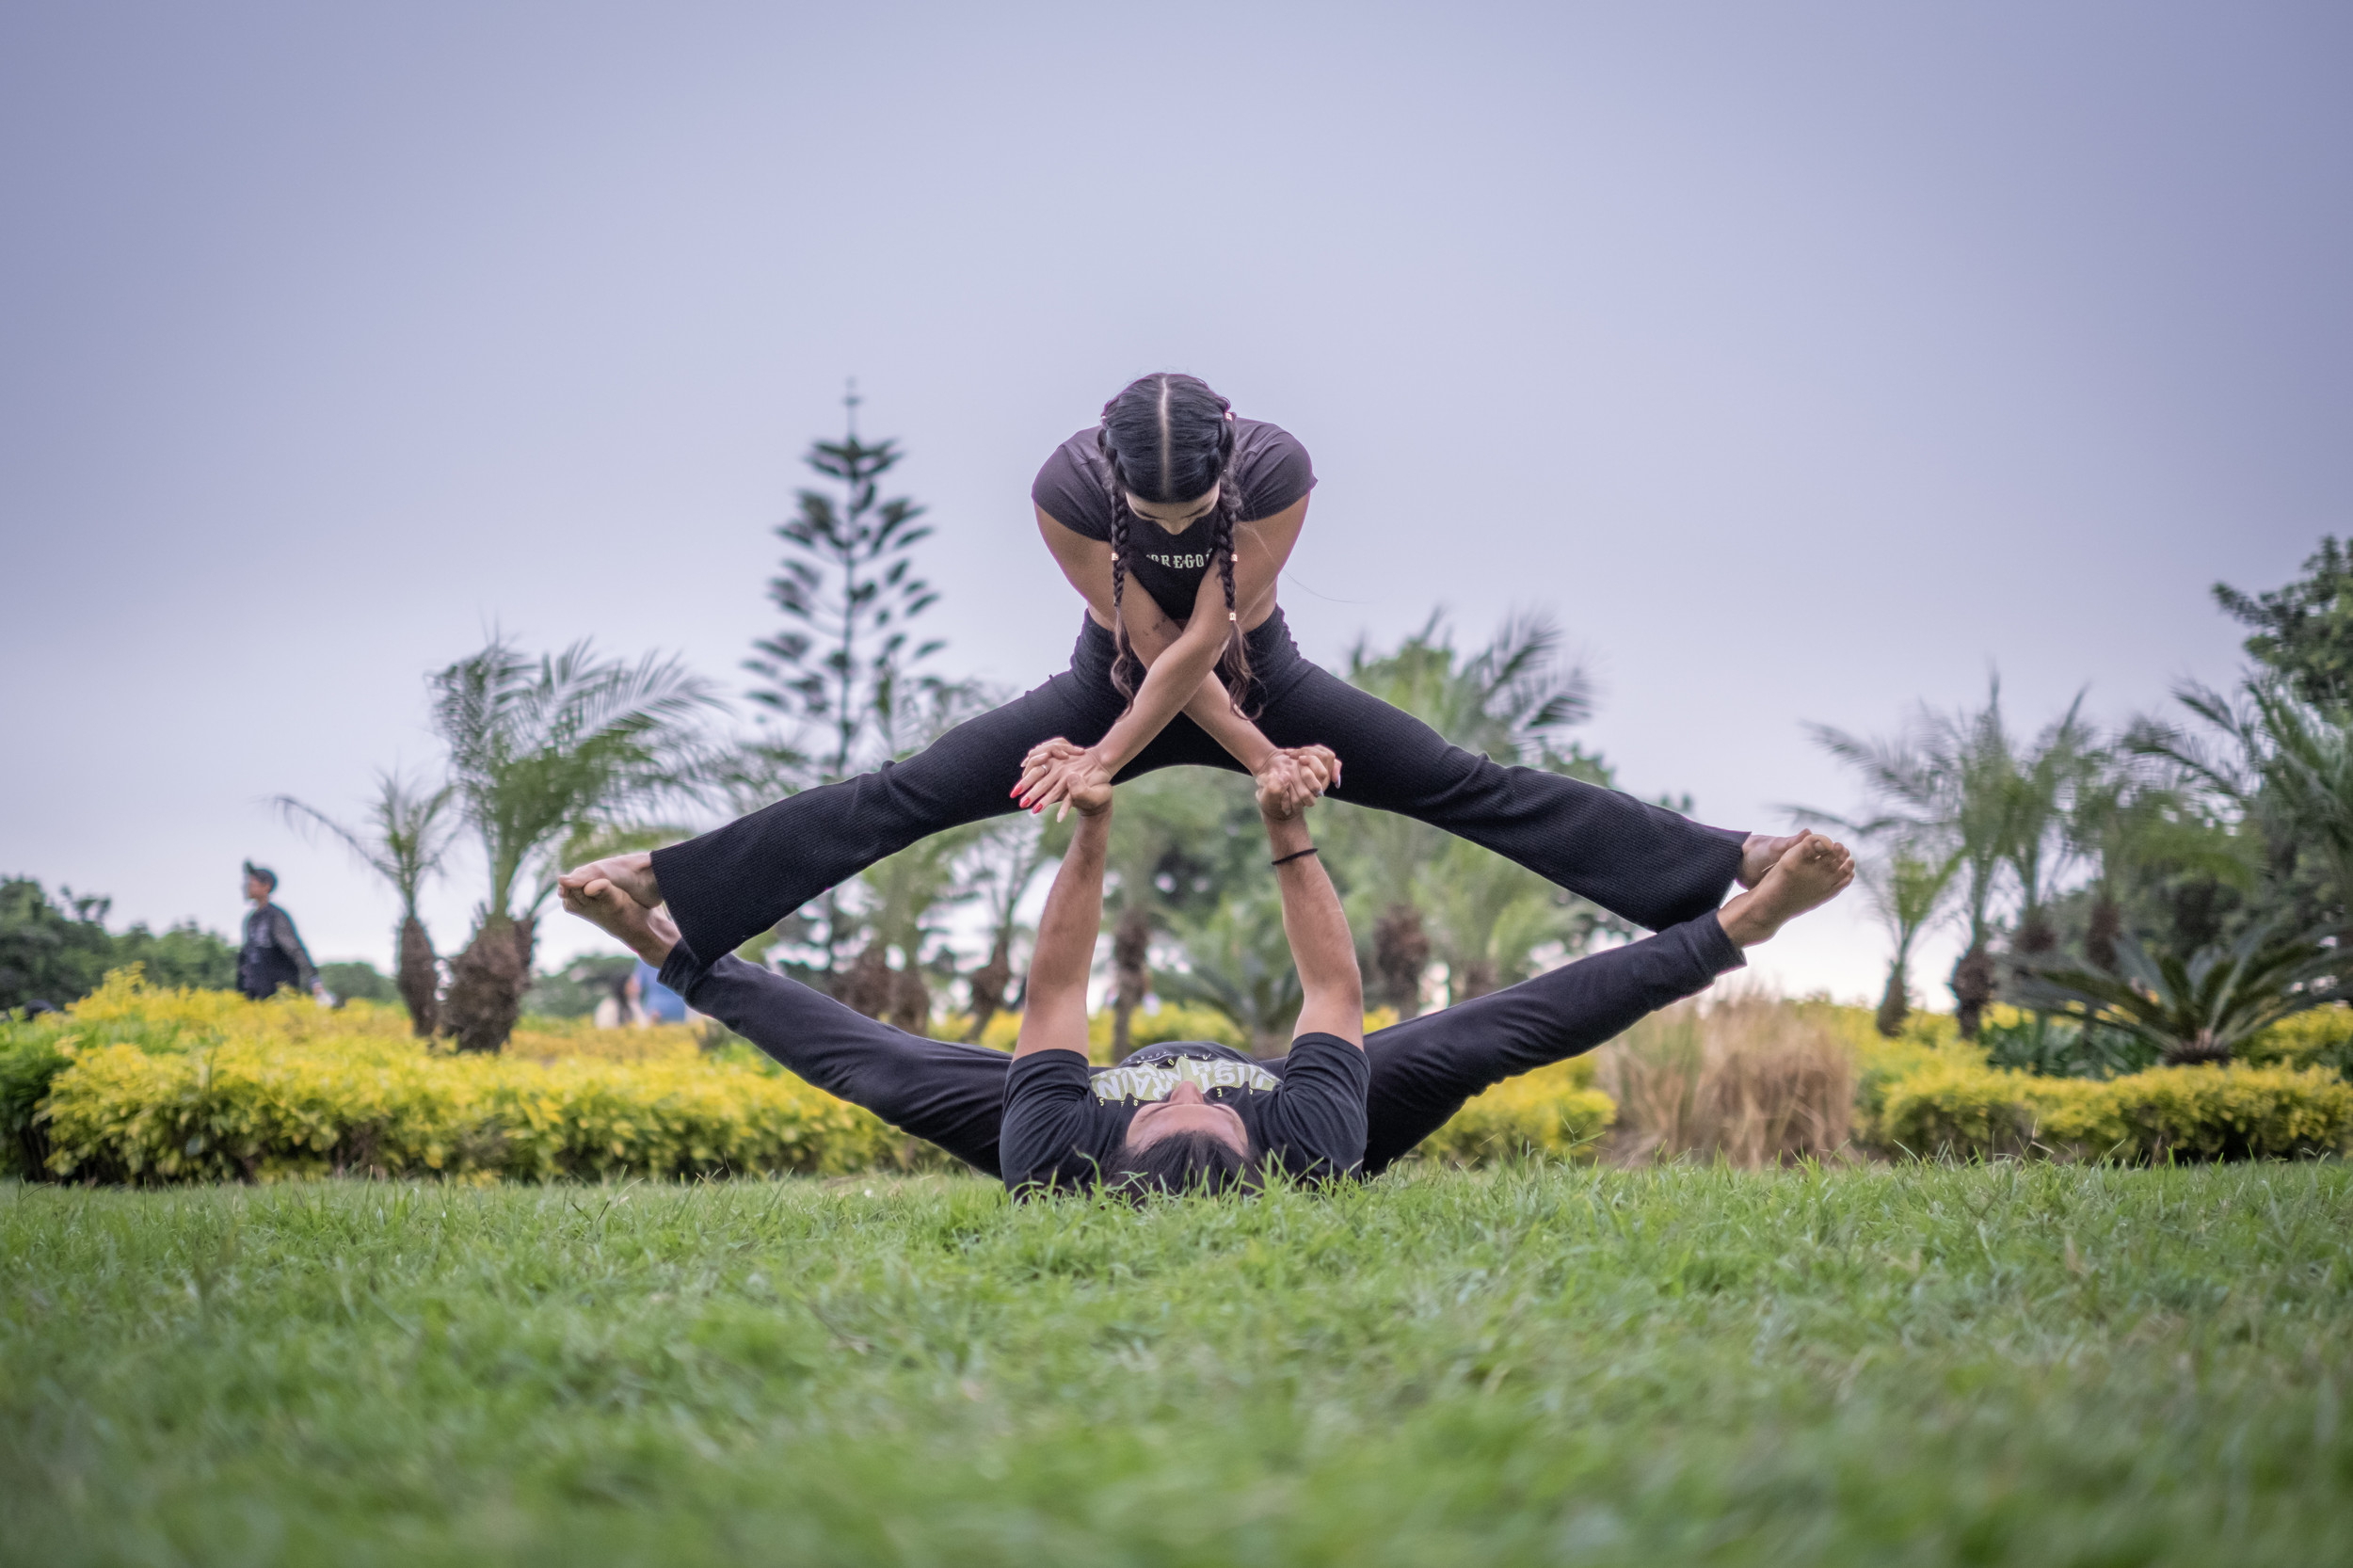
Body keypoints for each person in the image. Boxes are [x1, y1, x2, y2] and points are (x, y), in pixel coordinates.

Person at [561, 372, 1806, 976]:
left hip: (1261, 681)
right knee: (904, 792)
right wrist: (1177, 757)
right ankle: (667, 877)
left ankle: (1724, 860)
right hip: (1108, 685)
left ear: (1226, 467)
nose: (1175, 519)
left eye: (1191, 507)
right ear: (1113, 481)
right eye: (1151, 512)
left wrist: (1226, 749)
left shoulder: (1275, 472)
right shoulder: (1063, 488)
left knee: (1464, 781)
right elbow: (1150, 648)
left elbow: (1211, 637)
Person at [557, 758, 1854, 1195]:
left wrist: (1091, 831)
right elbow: (1332, 995)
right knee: (1486, 1034)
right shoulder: (1309, 1139)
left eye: (1170, 1100)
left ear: (1124, 1143)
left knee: (880, 1070)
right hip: (1329, 1100)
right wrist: (1290, 832)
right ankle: (1742, 922)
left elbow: (1055, 997)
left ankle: (661, 946)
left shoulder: (1057, 1150)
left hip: (1054, 1110)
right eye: (1202, 1102)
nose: (1183, 1079)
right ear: (1251, 1138)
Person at [236, 861, 323, 1002]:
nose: (247, 886)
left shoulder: (276, 916)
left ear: (266, 886)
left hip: (278, 995)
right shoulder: (251, 920)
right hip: (254, 995)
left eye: (252, 882)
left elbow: (294, 949)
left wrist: (314, 980)